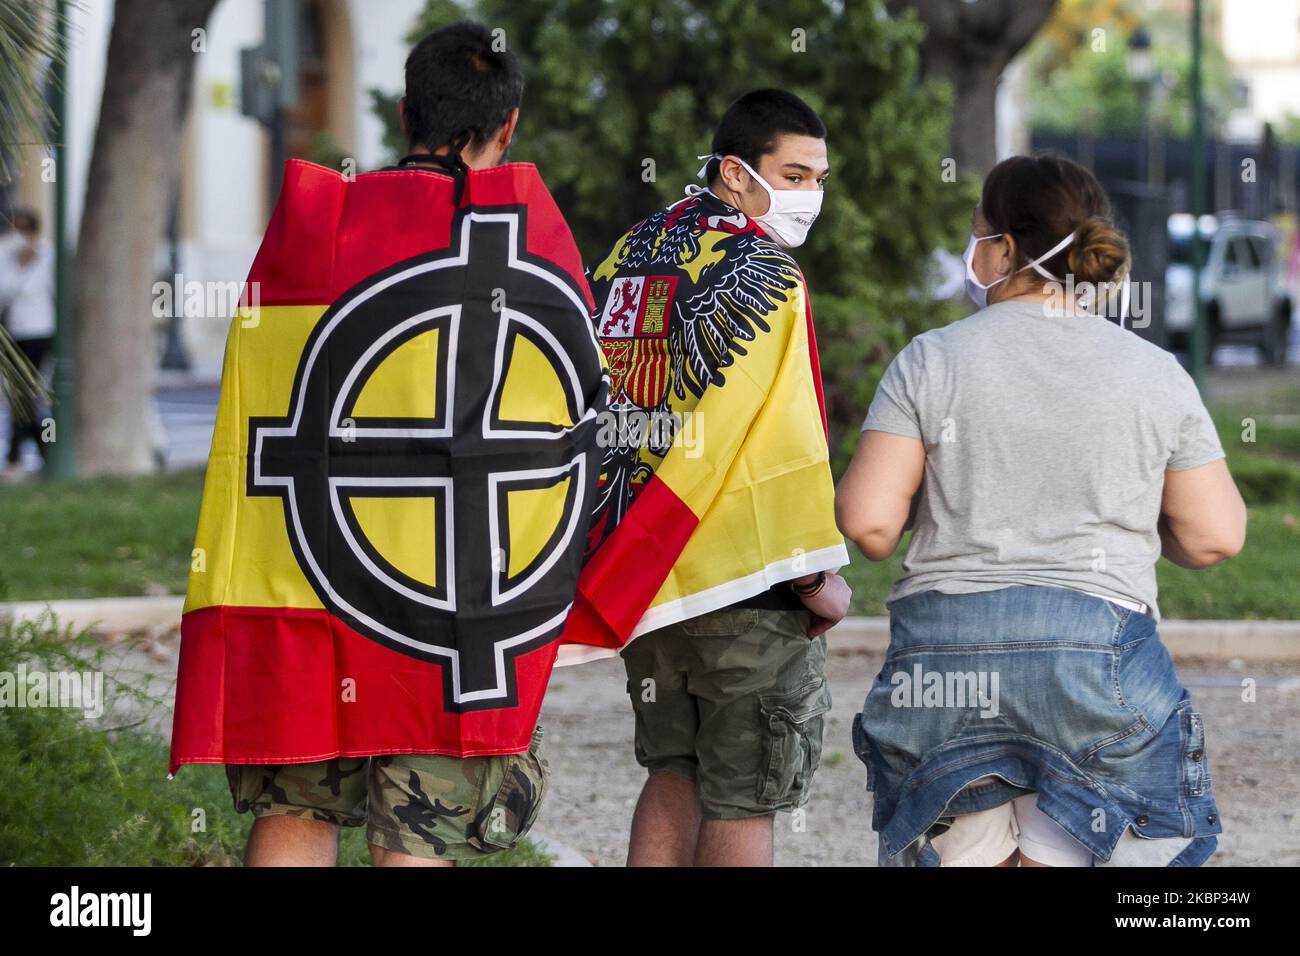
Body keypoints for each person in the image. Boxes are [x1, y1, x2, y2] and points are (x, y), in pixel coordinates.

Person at [179, 21, 606, 868]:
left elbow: (262, 418)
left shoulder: (314, 232)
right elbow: (574, 431)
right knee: (418, 834)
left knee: (297, 811)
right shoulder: (528, 245)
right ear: (508, 125)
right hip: (451, 626)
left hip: (307, 590)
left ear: (406, 111)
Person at [836, 154, 1245, 867]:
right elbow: (1215, 537)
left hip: (945, 662)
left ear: (1002, 249)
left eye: (978, 234)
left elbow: (868, 522)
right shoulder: (1154, 371)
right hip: (1093, 663)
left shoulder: (930, 359)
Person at [581, 90, 851, 867]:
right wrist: (811, 581)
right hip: (743, 578)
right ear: (736, 173)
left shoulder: (630, 254)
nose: (811, 196)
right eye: (794, 175)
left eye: (820, 178)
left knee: (672, 772)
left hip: (645, 573)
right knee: (744, 796)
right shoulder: (769, 274)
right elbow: (785, 445)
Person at [0, 208, 55, 480]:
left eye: (25, 230)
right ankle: (46, 452)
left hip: (40, 334)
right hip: (14, 336)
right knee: (20, 398)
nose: (20, 236)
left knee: (24, 397)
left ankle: (16, 457)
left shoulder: (47, 257)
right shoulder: (7, 259)